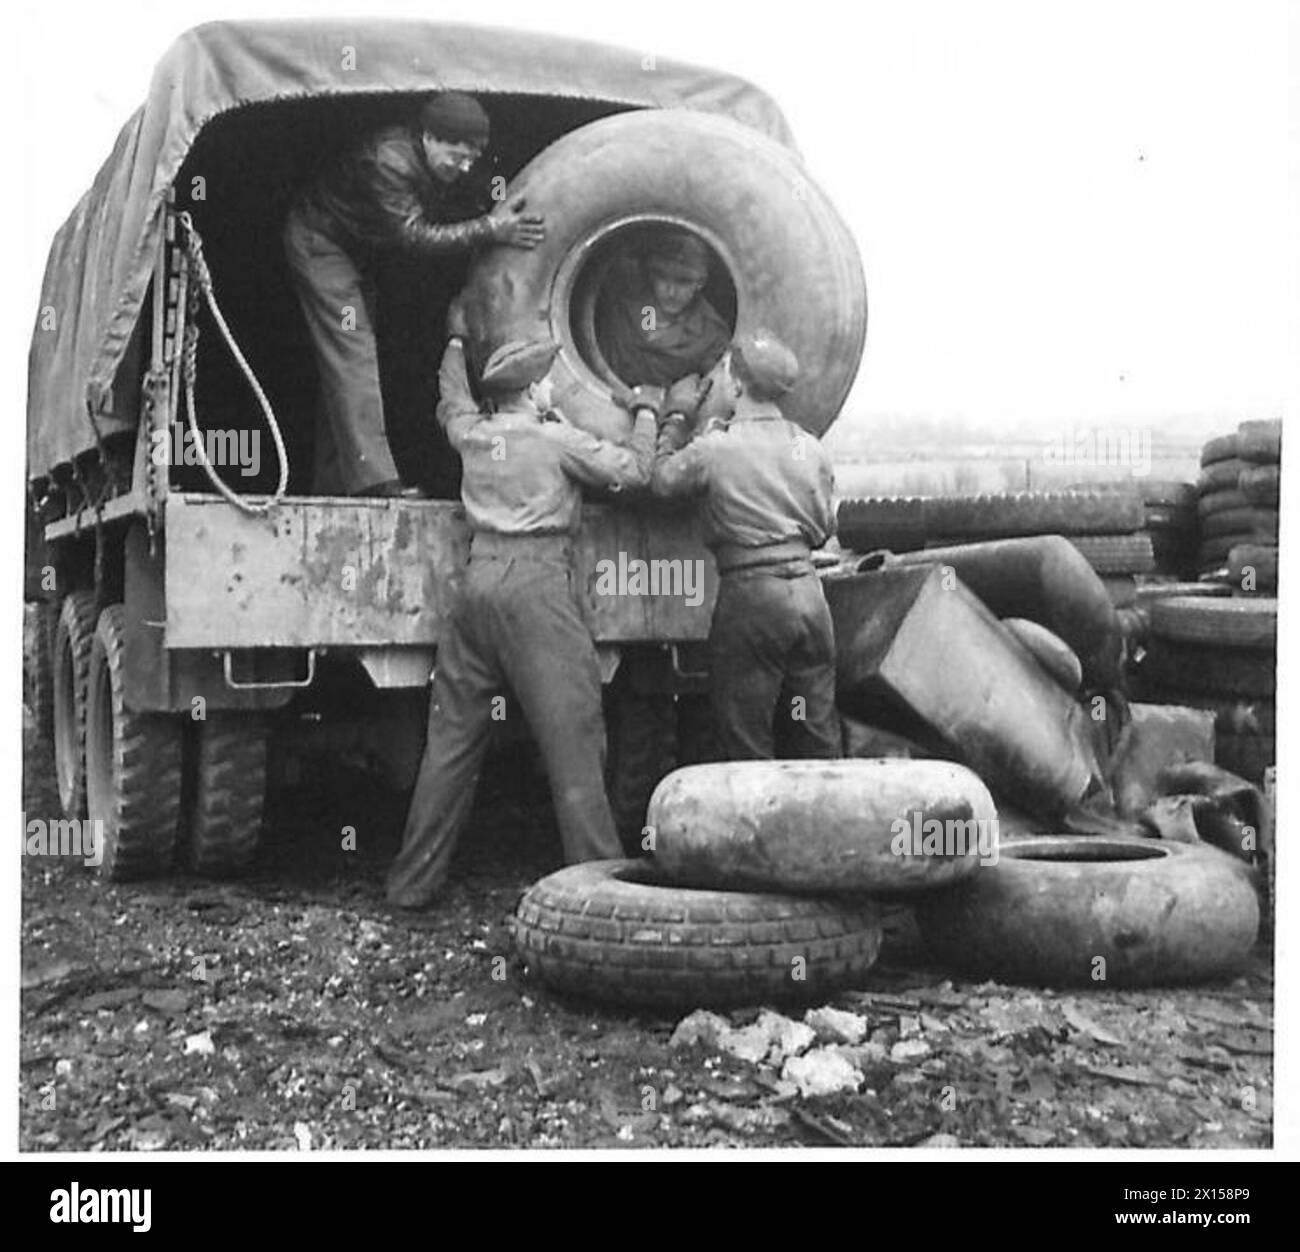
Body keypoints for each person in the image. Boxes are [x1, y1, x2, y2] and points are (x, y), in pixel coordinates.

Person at [385, 328, 661, 908]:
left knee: (450, 746)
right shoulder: (556, 440)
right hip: (537, 590)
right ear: (535, 389)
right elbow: (635, 473)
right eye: (546, 382)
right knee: (574, 742)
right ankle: (598, 895)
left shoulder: (475, 437)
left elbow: (451, 403)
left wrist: (455, 341)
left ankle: (410, 886)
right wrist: (646, 411)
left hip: (476, 585)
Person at [283, 92, 545, 497]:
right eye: (455, 156)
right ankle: (376, 483)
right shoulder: (390, 161)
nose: (462, 168)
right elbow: (413, 236)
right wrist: (490, 229)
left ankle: (335, 483)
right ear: (428, 137)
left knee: (346, 364)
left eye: (471, 159)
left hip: (358, 250)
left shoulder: (444, 164)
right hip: (322, 244)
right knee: (354, 353)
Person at [650, 330, 842, 761]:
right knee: (816, 731)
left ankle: (759, 828)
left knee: (746, 741)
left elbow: (662, 480)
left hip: (752, 598)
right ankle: (826, 823)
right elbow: (827, 526)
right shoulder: (808, 448)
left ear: (735, 384)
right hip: (810, 599)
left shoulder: (716, 449)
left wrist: (677, 417)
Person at [595, 227, 731, 390]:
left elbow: (715, 390)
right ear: (651, 275)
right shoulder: (627, 308)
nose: (671, 291)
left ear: (700, 282)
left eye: (683, 281)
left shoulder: (712, 334)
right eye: (662, 276)